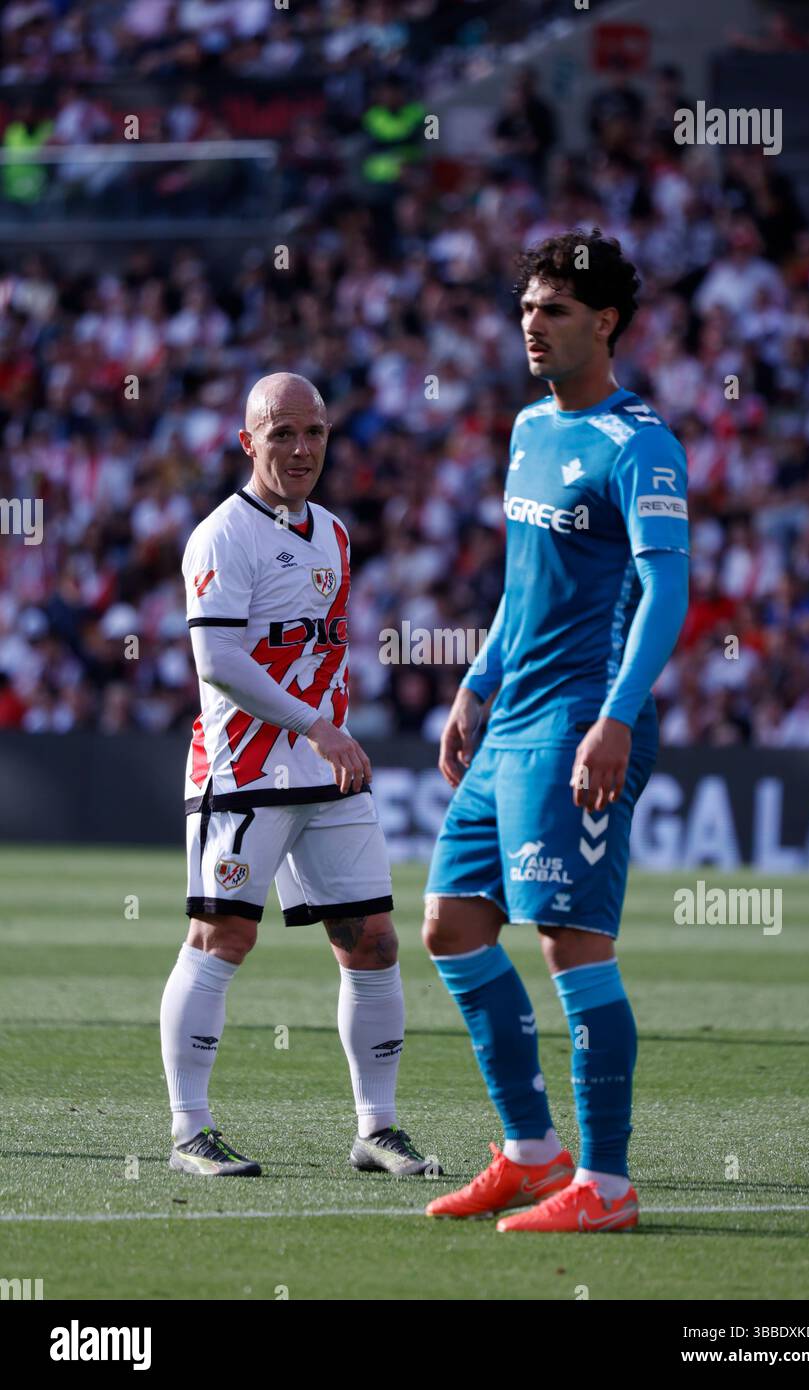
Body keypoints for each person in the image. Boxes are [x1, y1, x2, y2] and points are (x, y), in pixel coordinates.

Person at [423, 230, 690, 1232]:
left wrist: (616, 718)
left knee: (569, 945)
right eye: (526, 307)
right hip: (510, 718)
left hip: (581, 716)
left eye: (553, 310)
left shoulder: (638, 444)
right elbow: (518, 584)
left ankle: (608, 1187)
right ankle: (533, 1153)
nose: (530, 324)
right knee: (451, 924)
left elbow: (667, 589)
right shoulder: (530, 428)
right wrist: (474, 683)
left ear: (604, 323)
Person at [160, 372, 436, 1177]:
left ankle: (376, 1128)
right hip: (244, 770)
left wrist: (327, 730)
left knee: (372, 941)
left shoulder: (335, 534)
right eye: (281, 433)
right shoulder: (221, 536)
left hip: (327, 769)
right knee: (222, 938)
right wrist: (317, 724)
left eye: (313, 431)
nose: (301, 448)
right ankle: (189, 1132)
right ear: (248, 443)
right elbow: (217, 660)